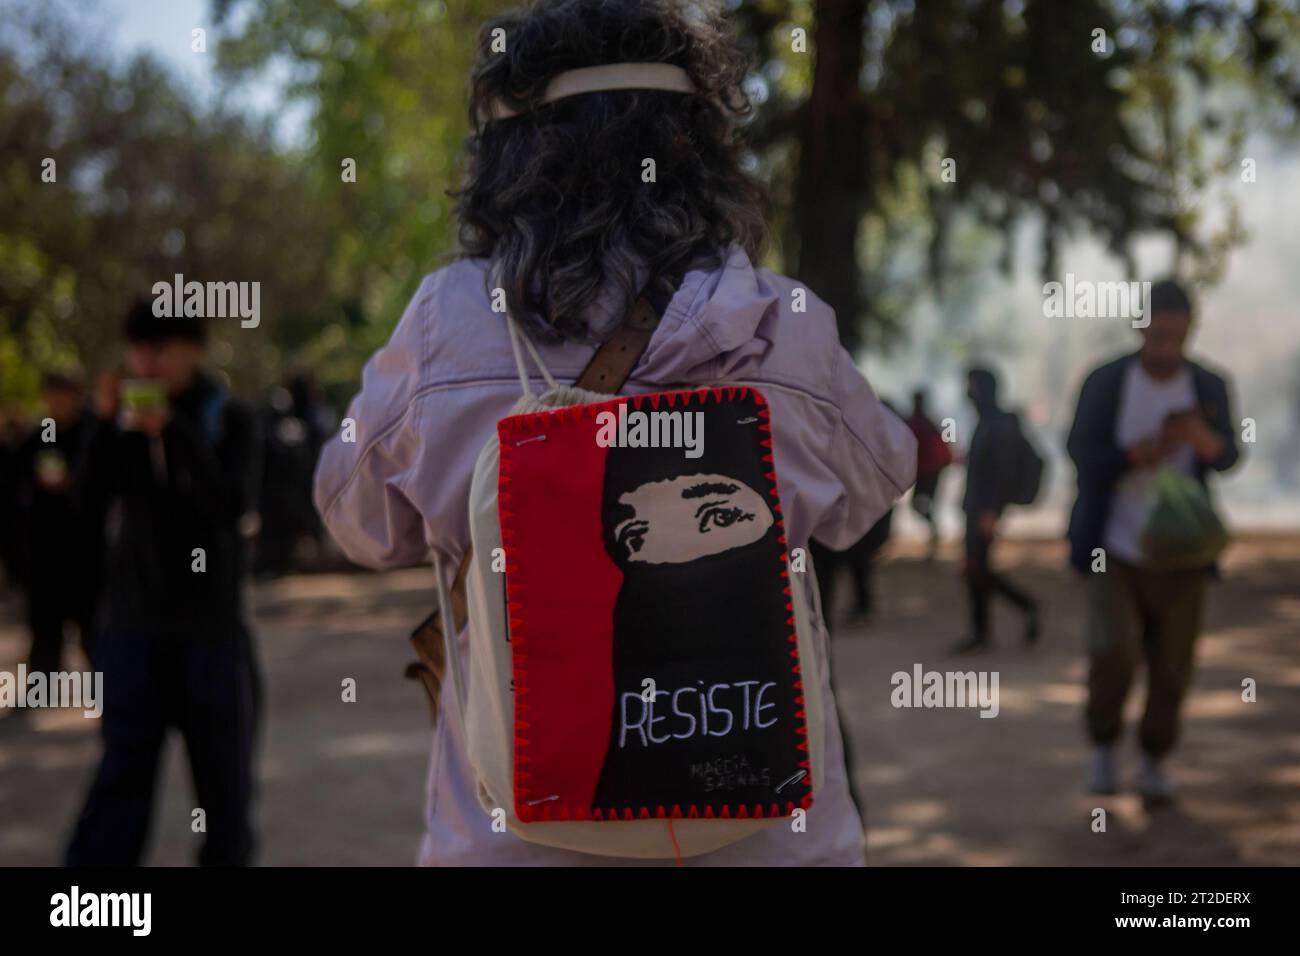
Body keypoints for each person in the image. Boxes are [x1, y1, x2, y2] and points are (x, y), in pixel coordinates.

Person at [314, 0, 915, 866]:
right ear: (703, 152)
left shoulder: (447, 325)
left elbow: (358, 521)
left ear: (506, 157)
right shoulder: (784, 324)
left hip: (513, 838)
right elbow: (871, 495)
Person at [65, 301, 262, 866]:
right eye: (137, 350)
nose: (145, 363)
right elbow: (84, 506)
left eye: (159, 349)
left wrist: (172, 433)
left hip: (211, 633)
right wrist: (105, 425)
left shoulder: (231, 419)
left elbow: (229, 507)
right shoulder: (120, 422)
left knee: (224, 786)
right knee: (121, 777)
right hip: (133, 630)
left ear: (192, 350)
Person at [1066, 279, 1239, 802]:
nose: (1166, 347)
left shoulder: (1209, 386)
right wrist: (1128, 458)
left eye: (1176, 338)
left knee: (1172, 665)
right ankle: (1103, 747)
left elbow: (1229, 456)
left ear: (1189, 332)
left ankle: (1154, 760)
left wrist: (1204, 442)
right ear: (1140, 327)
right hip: (1113, 547)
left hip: (1184, 552)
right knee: (1112, 652)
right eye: (1157, 335)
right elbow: (1078, 452)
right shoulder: (1105, 381)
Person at [10, 371, 102, 680]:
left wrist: (74, 482)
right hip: (46, 549)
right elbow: (15, 472)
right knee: (45, 624)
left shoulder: (94, 433)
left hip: (88, 548)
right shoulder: (41, 434)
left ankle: (113, 690)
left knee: (94, 628)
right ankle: (43, 684)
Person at [953, 367, 1040, 654]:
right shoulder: (986, 422)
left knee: (978, 569)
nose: (967, 392)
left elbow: (1000, 473)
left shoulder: (999, 425)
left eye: (970, 385)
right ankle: (982, 629)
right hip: (975, 507)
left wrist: (991, 511)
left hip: (983, 510)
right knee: (976, 570)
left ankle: (1024, 606)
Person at [906, 389, 951, 559]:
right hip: (929, 471)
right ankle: (934, 533)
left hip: (928, 472)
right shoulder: (929, 422)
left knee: (921, 505)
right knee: (923, 505)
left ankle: (934, 533)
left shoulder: (918, 422)